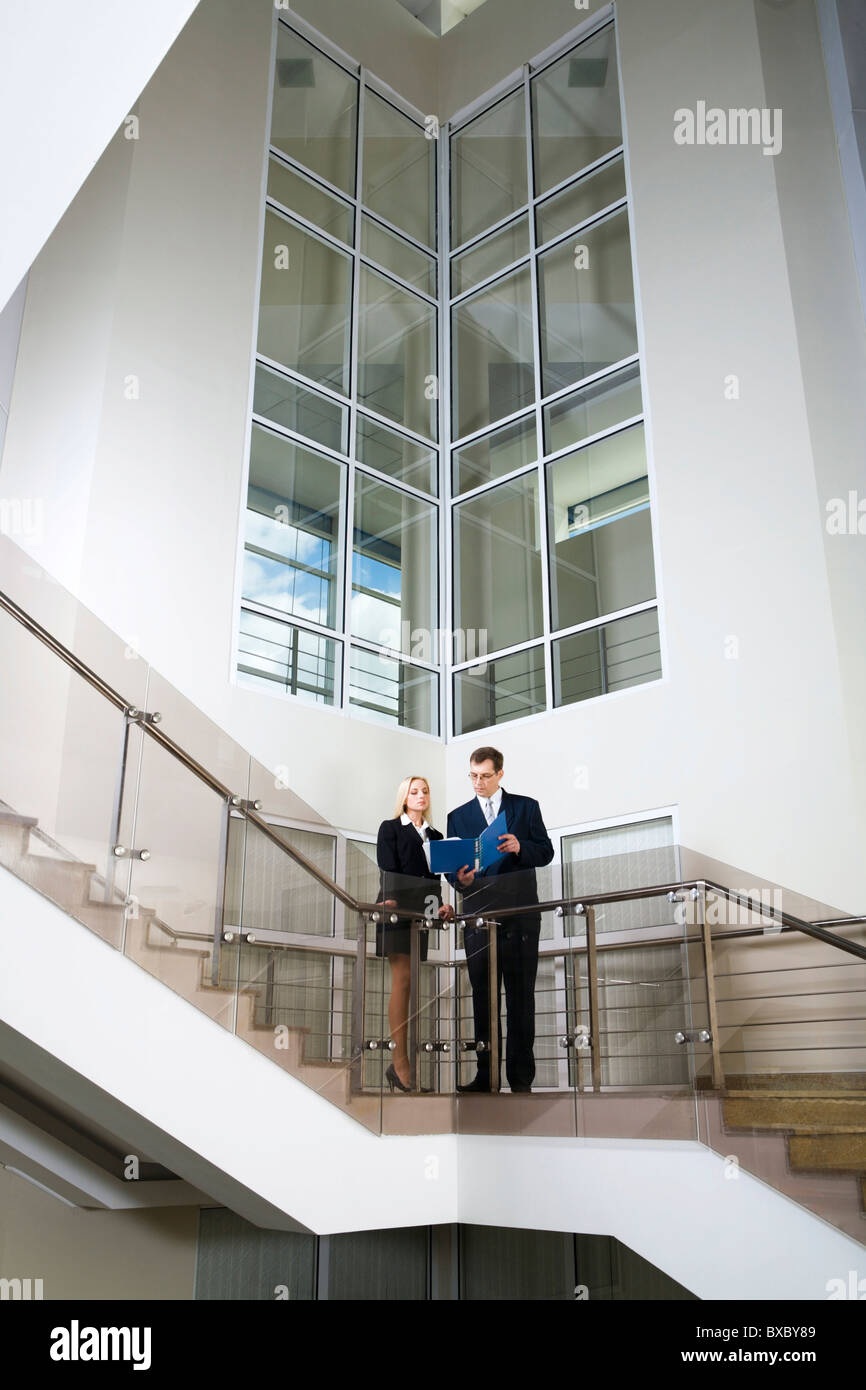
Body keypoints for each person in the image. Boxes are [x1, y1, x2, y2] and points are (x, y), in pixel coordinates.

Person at [447, 746, 554, 1094]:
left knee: (521, 996)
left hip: (521, 915)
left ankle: (520, 1079)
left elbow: (546, 852)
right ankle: (486, 1075)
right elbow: (453, 869)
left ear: (500, 774)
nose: (478, 783)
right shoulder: (458, 816)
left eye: (485, 776)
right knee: (483, 996)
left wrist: (520, 847)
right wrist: (459, 880)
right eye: (473, 776)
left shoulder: (526, 807)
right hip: (479, 916)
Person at [376, 775, 453, 1093]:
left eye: (425, 791)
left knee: (413, 985)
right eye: (414, 791)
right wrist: (390, 901)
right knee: (403, 980)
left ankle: (403, 1065)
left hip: (422, 915)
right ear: (404, 797)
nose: (421, 796)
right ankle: (400, 1063)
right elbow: (387, 867)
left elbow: (438, 880)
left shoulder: (436, 835)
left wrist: (441, 909)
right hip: (396, 909)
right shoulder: (390, 827)